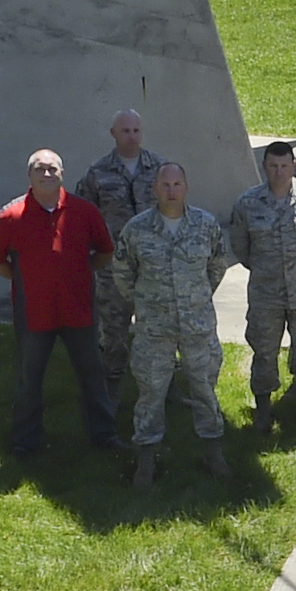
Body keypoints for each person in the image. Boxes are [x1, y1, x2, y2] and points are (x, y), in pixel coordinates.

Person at [0, 151, 120, 455]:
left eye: (52, 169)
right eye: (39, 169)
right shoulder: (11, 216)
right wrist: (23, 278)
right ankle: (25, 442)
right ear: (29, 175)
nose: (46, 174)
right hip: (34, 312)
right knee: (29, 379)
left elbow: (105, 251)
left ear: (63, 173)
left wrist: (82, 273)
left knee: (92, 375)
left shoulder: (84, 211)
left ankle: (104, 435)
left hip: (79, 309)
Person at [113, 161, 234, 483]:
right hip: (155, 328)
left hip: (197, 326)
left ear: (186, 187)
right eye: (164, 185)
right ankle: (147, 458)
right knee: (150, 394)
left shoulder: (205, 225)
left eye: (176, 184)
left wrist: (196, 297)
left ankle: (213, 452)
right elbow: (123, 273)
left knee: (205, 390)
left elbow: (218, 266)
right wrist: (147, 302)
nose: (170, 191)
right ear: (155, 188)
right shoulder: (137, 229)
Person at [226, 141, 296, 430]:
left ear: (293, 166)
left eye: (284, 165)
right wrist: (264, 270)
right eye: (273, 166)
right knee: (264, 351)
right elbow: (241, 246)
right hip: (266, 295)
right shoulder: (248, 204)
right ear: (264, 167)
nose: (279, 171)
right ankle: (263, 412)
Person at [79, 111, 167, 392]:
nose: (132, 136)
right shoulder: (98, 172)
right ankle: (112, 381)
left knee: (157, 324)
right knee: (114, 326)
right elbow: (84, 214)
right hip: (113, 264)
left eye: (136, 130)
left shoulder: (160, 168)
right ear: (113, 133)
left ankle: (163, 382)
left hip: (152, 263)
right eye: (126, 131)